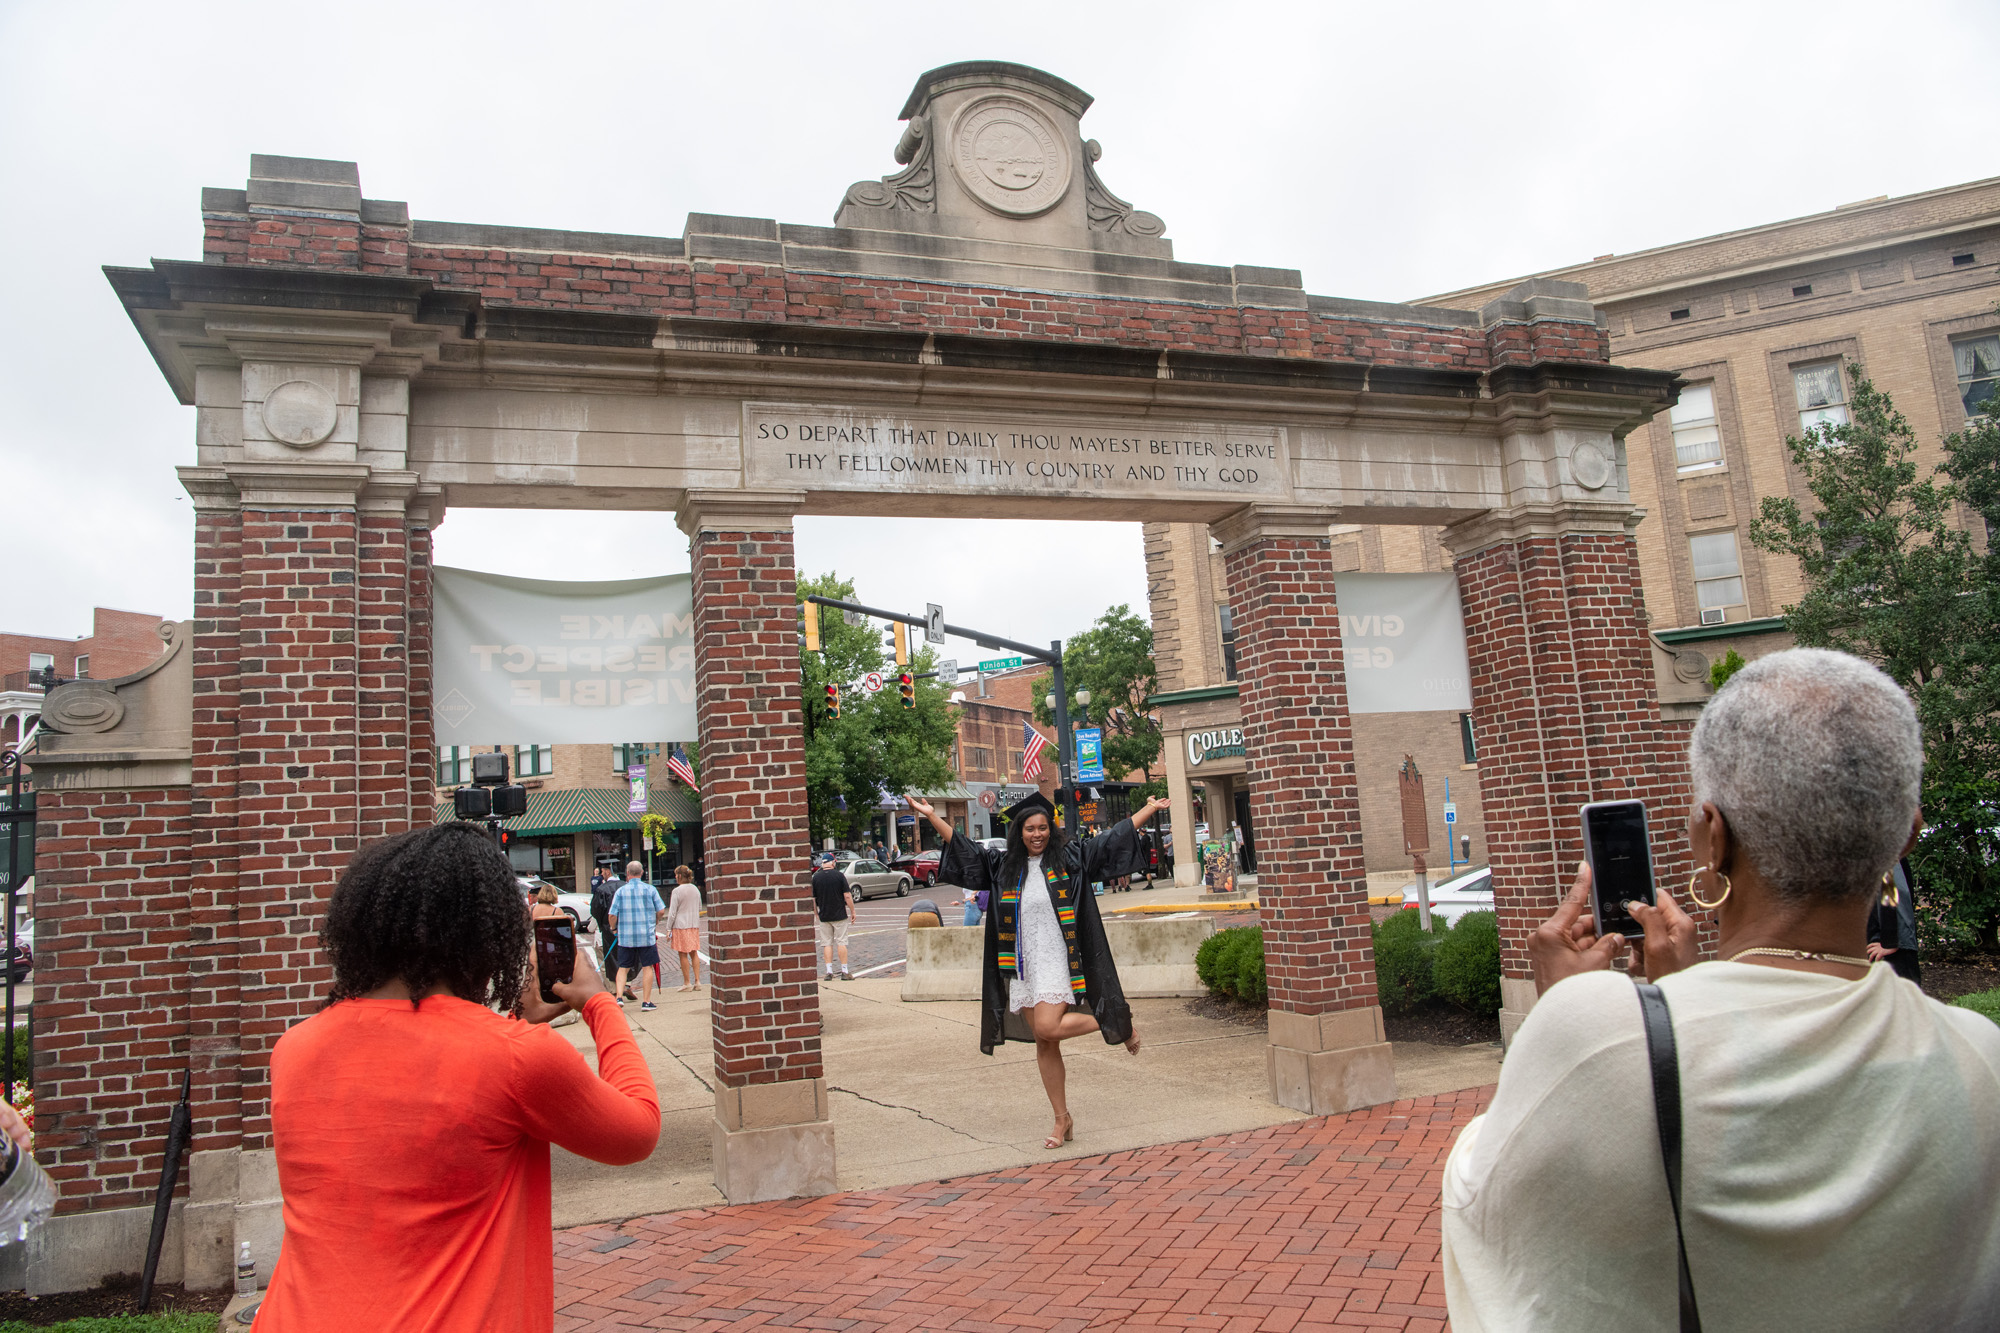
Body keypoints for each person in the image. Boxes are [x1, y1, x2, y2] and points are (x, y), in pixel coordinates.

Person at [1441, 649, 2000, 1331]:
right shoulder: (1982, 1057)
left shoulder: (1600, 1035)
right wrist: (1676, 1003)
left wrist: (1563, 1010)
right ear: (1906, 835)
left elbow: (1484, 1205)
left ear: (1714, 835)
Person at [254, 822, 660, 1332]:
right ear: (483, 934)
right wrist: (600, 1002)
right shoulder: (516, 1059)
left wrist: (510, 1027)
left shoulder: (294, 1048)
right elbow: (637, 1130)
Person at [913, 790, 1170, 1151]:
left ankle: (1114, 1019)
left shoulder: (1070, 858)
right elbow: (964, 848)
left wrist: (1148, 808)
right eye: (1030, 829)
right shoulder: (1004, 866)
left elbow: (1113, 839)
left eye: (1043, 828)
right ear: (1019, 832)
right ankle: (1061, 1117)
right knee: (1045, 1042)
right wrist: (931, 816)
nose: (1037, 834)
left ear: (1052, 829)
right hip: (1023, 964)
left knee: (1050, 1027)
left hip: (1057, 959)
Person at [608, 861, 665, 1012]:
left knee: (623, 968)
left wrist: (614, 929)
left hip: (626, 937)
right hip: (646, 935)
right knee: (647, 968)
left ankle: (619, 997)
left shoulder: (620, 892)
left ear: (627, 874)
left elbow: (612, 915)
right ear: (642, 873)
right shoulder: (650, 889)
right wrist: (656, 920)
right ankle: (646, 1002)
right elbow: (661, 910)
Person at [1867, 856, 1922, 983]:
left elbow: (1893, 887)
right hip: (1874, 945)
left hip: (1887, 949)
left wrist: (1891, 941)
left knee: (1902, 998)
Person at [811, 852, 853, 981]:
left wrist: (816, 912)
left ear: (823, 863)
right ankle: (844, 971)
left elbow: (813, 898)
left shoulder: (815, 878)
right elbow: (847, 895)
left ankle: (829, 971)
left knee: (827, 943)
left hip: (824, 914)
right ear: (833, 862)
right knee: (841, 942)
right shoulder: (839, 876)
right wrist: (853, 911)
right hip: (839, 914)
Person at [665, 864, 702, 991]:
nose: (675, 877)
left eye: (676, 874)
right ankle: (698, 981)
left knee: (683, 954)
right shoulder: (695, 889)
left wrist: (668, 928)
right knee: (694, 952)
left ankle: (687, 982)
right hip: (693, 924)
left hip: (681, 925)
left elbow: (672, 912)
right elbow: (700, 907)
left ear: (680, 876)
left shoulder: (677, 891)